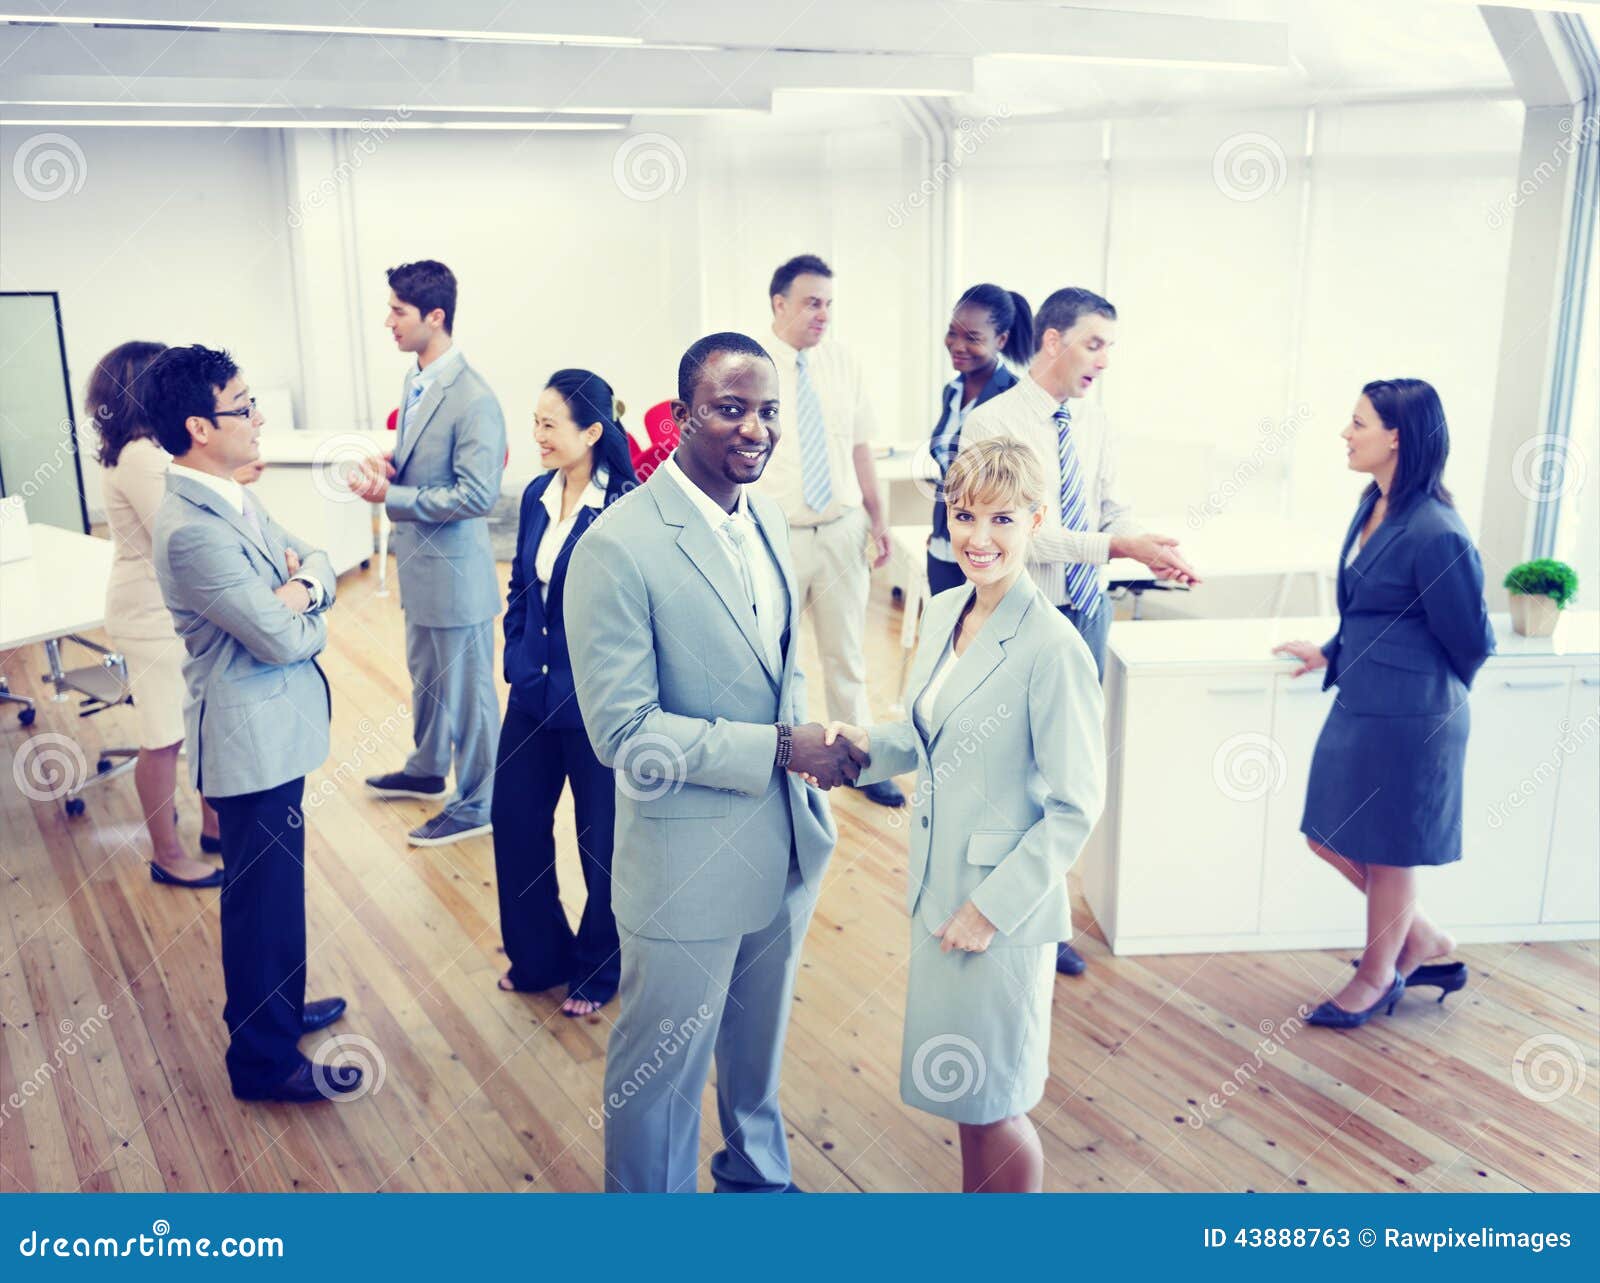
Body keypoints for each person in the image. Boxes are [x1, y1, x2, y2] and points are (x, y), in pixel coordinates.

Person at [565, 332, 864, 1193]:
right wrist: (778, 748)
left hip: (786, 837)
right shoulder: (618, 546)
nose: (755, 429)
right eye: (730, 408)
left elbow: (783, 664)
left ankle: (757, 1177)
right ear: (682, 415)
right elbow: (625, 733)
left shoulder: (767, 516)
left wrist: (812, 750)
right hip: (686, 857)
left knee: (756, 1050)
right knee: (661, 1076)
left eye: (767, 410)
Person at [817, 439, 1105, 1192]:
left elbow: (1078, 804)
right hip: (937, 892)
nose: (979, 536)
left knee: (999, 1101)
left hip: (997, 910)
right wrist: (862, 746)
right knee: (969, 1102)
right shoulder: (946, 609)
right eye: (965, 514)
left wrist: (991, 908)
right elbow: (923, 733)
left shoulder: (1053, 648)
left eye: (1003, 518)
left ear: (1038, 520)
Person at [963, 285, 1200, 977]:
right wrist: (1119, 548)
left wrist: (1147, 543)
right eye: (1094, 344)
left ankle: (1047, 914)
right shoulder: (992, 424)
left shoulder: (1095, 423)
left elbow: (1108, 508)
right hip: (1023, 615)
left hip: (1087, 611)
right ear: (1052, 341)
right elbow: (1018, 536)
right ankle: (1003, 905)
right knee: (1015, 770)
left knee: (1069, 772)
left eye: (1110, 348)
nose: (1104, 360)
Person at [145, 345, 359, 1103]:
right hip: (248, 737)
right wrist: (307, 599)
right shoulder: (191, 528)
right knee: (260, 902)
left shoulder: (229, 494)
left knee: (276, 892)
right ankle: (262, 1063)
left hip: (273, 728)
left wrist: (299, 586)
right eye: (244, 406)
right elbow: (278, 636)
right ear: (200, 426)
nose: (259, 417)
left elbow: (318, 558)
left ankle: (277, 1008)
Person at [1274, 379, 1493, 1028]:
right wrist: (1332, 650)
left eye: (1358, 422)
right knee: (1328, 834)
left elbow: (1472, 640)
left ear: (1395, 436)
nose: (1346, 433)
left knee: (1387, 847)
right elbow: (1377, 604)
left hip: (1412, 717)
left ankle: (1378, 975)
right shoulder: (1375, 503)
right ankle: (1418, 938)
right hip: (1361, 702)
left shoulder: (1435, 529)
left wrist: (1421, 695)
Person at [493, 369, 637, 1017]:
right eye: (536, 421)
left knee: (600, 841)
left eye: (550, 423)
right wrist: (517, 652)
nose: (538, 435)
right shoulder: (534, 495)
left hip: (597, 705)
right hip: (531, 691)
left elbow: (640, 614)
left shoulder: (626, 508)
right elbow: (522, 585)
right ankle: (537, 955)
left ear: (592, 432)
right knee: (516, 822)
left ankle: (599, 967)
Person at [353, 259, 507, 847]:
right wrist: (388, 468)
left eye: (398, 311)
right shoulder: (417, 378)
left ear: (434, 317)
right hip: (420, 569)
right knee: (428, 683)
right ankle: (425, 769)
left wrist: (390, 494)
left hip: (458, 579)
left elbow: (476, 495)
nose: (387, 321)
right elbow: (426, 464)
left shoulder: (474, 398)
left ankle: (480, 802)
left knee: (469, 696)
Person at [756, 253, 903, 808]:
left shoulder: (843, 363)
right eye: (812, 303)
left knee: (847, 655)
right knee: (776, 656)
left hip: (841, 529)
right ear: (780, 304)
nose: (823, 315)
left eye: (829, 304)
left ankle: (860, 763)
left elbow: (860, 445)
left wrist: (879, 516)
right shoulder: (750, 365)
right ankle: (783, 756)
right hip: (779, 534)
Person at [93, 339, 231, 886]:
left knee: (197, 725)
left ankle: (216, 827)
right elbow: (178, 536)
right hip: (151, 618)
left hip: (166, 613)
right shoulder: (142, 457)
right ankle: (167, 855)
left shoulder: (146, 450)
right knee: (163, 736)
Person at [926, 285, 1029, 596]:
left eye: (972, 338)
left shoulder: (1015, 397)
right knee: (944, 638)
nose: (957, 345)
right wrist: (941, 531)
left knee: (981, 640)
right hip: (945, 547)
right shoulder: (952, 392)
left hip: (987, 551)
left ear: (1001, 340)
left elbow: (1019, 487)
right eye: (952, 333)